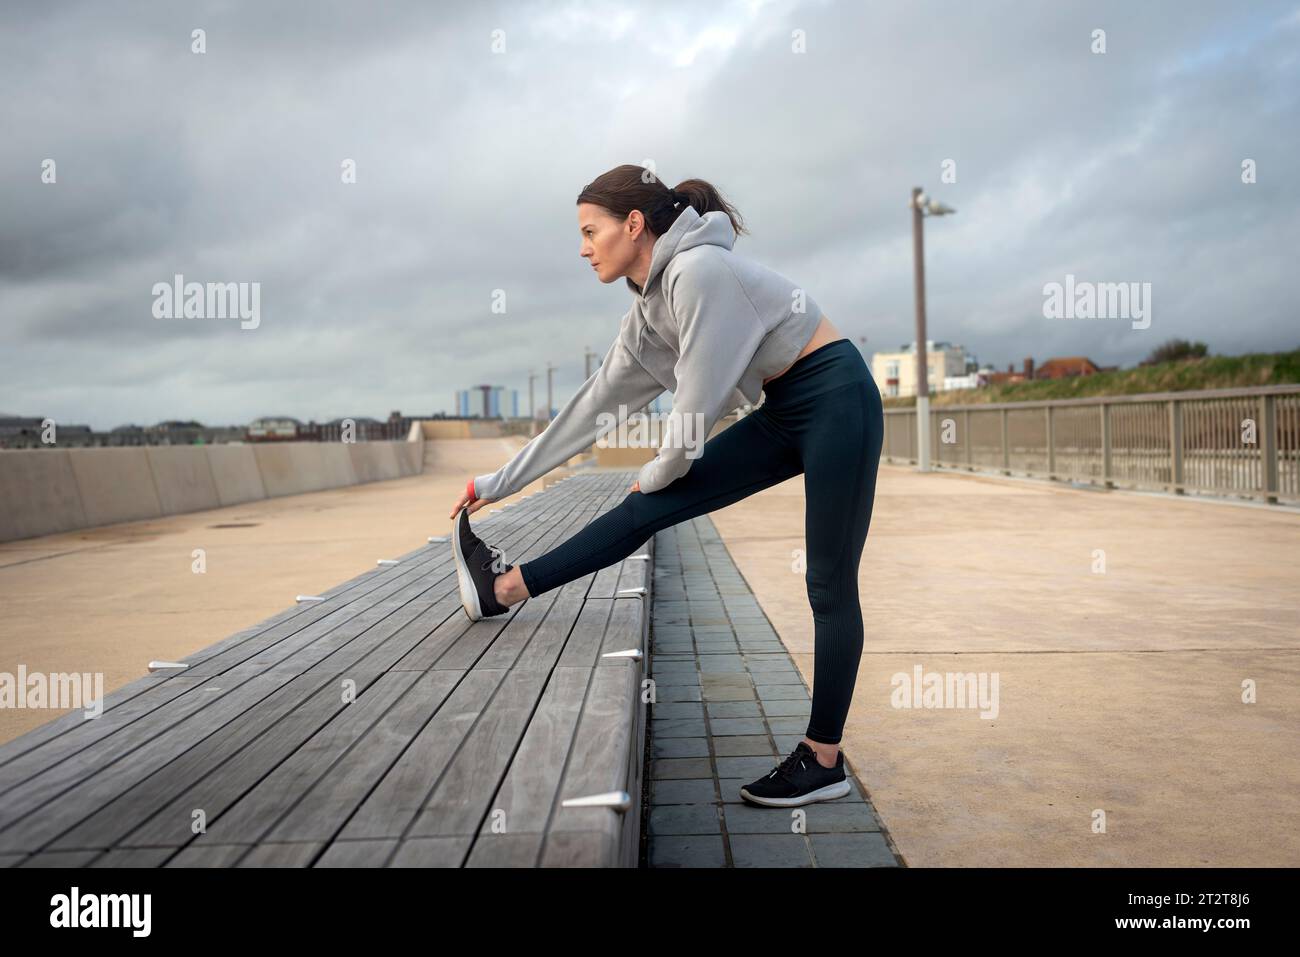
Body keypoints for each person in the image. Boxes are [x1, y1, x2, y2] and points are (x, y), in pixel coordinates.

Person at [449, 164, 884, 807]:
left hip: (838, 397)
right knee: (644, 506)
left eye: (590, 231)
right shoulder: (650, 307)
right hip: (786, 408)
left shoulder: (699, 273)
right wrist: (500, 480)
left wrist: (655, 474)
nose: (582, 247)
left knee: (826, 579)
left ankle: (824, 759)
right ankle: (503, 590)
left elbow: (692, 417)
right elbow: (594, 405)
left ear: (633, 225)